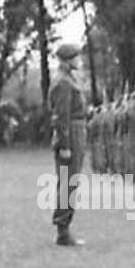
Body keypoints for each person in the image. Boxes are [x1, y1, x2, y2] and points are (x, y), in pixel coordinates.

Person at [48, 42, 87, 246]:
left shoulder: (69, 79)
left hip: (76, 131)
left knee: (71, 182)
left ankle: (64, 227)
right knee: (68, 183)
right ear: (68, 59)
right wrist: (65, 144)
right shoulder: (63, 82)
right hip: (70, 133)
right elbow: (61, 116)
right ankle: (63, 229)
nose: (79, 60)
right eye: (76, 57)